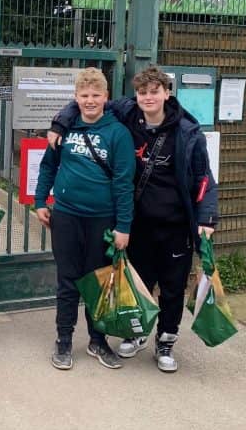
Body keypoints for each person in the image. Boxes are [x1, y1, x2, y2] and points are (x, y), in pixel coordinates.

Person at [49, 65, 217, 373]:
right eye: (143, 92)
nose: (148, 97)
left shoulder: (187, 132)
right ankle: (136, 331)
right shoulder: (127, 112)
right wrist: (60, 123)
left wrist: (206, 216)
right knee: (136, 283)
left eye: (155, 91)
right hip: (138, 221)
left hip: (175, 223)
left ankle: (165, 341)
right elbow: (85, 100)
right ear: (135, 95)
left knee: (171, 287)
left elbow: (203, 177)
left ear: (167, 93)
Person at [34, 67, 135, 371]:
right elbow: (48, 166)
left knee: (98, 283)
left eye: (96, 95)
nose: (90, 101)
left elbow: (123, 182)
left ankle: (98, 341)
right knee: (67, 282)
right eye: (84, 95)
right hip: (66, 216)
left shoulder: (118, 133)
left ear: (106, 97)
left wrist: (123, 226)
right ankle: (64, 341)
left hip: (102, 220)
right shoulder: (64, 130)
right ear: (75, 97)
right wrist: (40, 201)